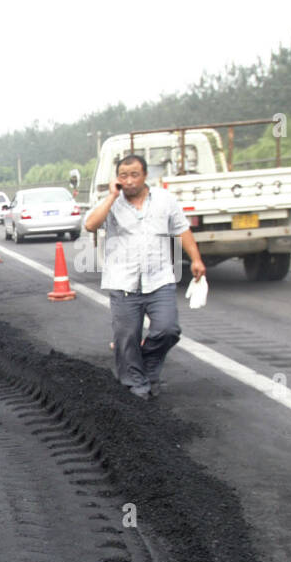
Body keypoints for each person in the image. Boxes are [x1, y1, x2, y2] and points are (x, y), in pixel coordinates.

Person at [83, 153, 205, 400]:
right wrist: (111, 196)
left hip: (159, 279)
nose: (129, 181)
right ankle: (137, 386)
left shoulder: (164, 200)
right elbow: (90, 225)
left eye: (134, 175)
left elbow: (182, 228)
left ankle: (146, 365)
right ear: (117, 179)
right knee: (126, 338)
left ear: (145, 176)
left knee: (168, 329)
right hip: (123, 282)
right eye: (123, 176)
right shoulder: (112, 203)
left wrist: (196, 259)